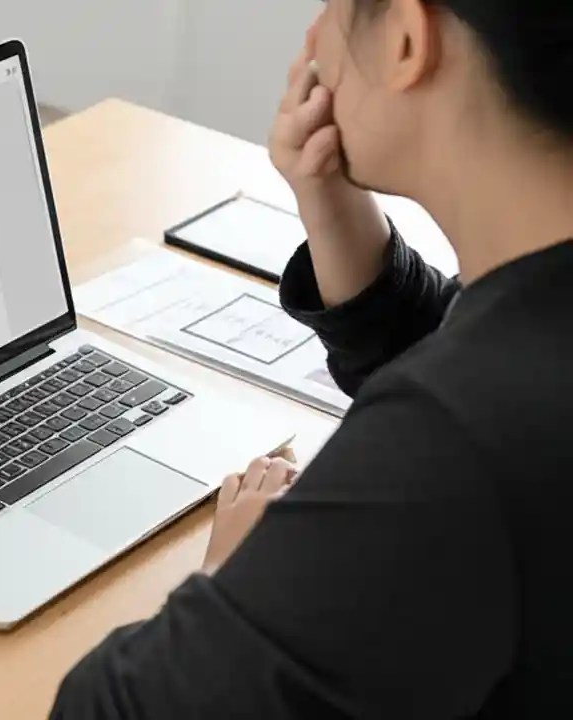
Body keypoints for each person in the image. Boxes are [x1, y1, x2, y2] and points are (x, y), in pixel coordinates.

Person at [49, 0, 573, 716]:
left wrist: (234, 581)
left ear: (408, 42)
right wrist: (330, 201)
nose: (314, 37)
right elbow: (470, 347)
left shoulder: (456, 444)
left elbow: (113, 710)